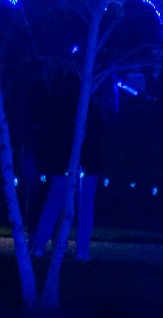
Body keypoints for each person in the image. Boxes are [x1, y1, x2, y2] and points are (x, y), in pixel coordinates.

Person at [32, 72, 102, 261]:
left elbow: (52, 138)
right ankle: (82, 251)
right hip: (85, 165)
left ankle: (39, 246)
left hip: (63, 164)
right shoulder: (90, 107)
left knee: (54, 205)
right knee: (84, 208)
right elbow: (96, 136)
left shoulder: (58, 107)